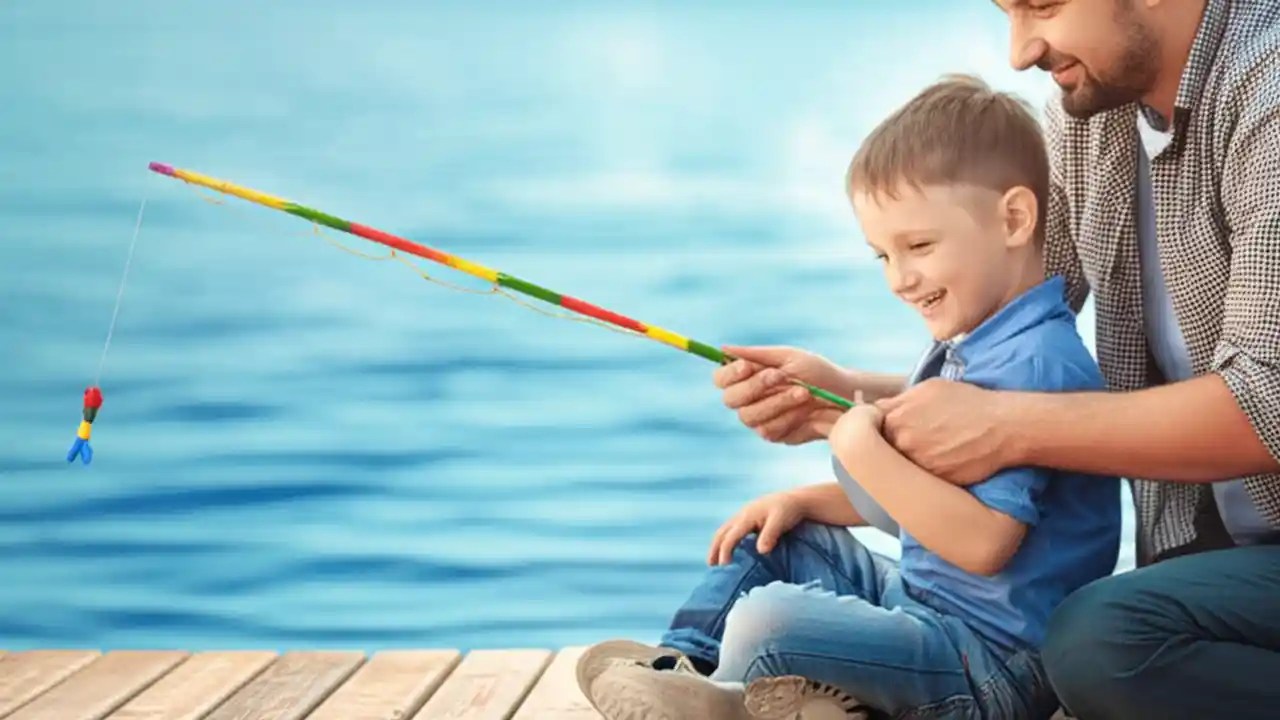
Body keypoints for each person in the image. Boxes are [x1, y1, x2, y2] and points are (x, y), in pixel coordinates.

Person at [719, 2, 1280, 718]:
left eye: (1042, 5)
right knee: (789, 547)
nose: (1019, 51)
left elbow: (1267, 408)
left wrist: (1004, 429)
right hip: (1203, 562)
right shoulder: (1089, 115)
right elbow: (1012, 368)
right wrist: (844, 395)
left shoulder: (1270, 92)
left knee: (1096, 642)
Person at [574, 75, 1121, 720]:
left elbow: (983, 544)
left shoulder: (1037, 362)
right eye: (881, 256)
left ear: (1014, 219)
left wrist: (852, 438)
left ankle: (730, 701)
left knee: (771, 621)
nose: (899, 278)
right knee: (779, 537)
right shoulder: (974, 347)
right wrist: (806, 499)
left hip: (991, 669)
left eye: (918, 246)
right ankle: (681, 670)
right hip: (929, 612)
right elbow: (926, 502)